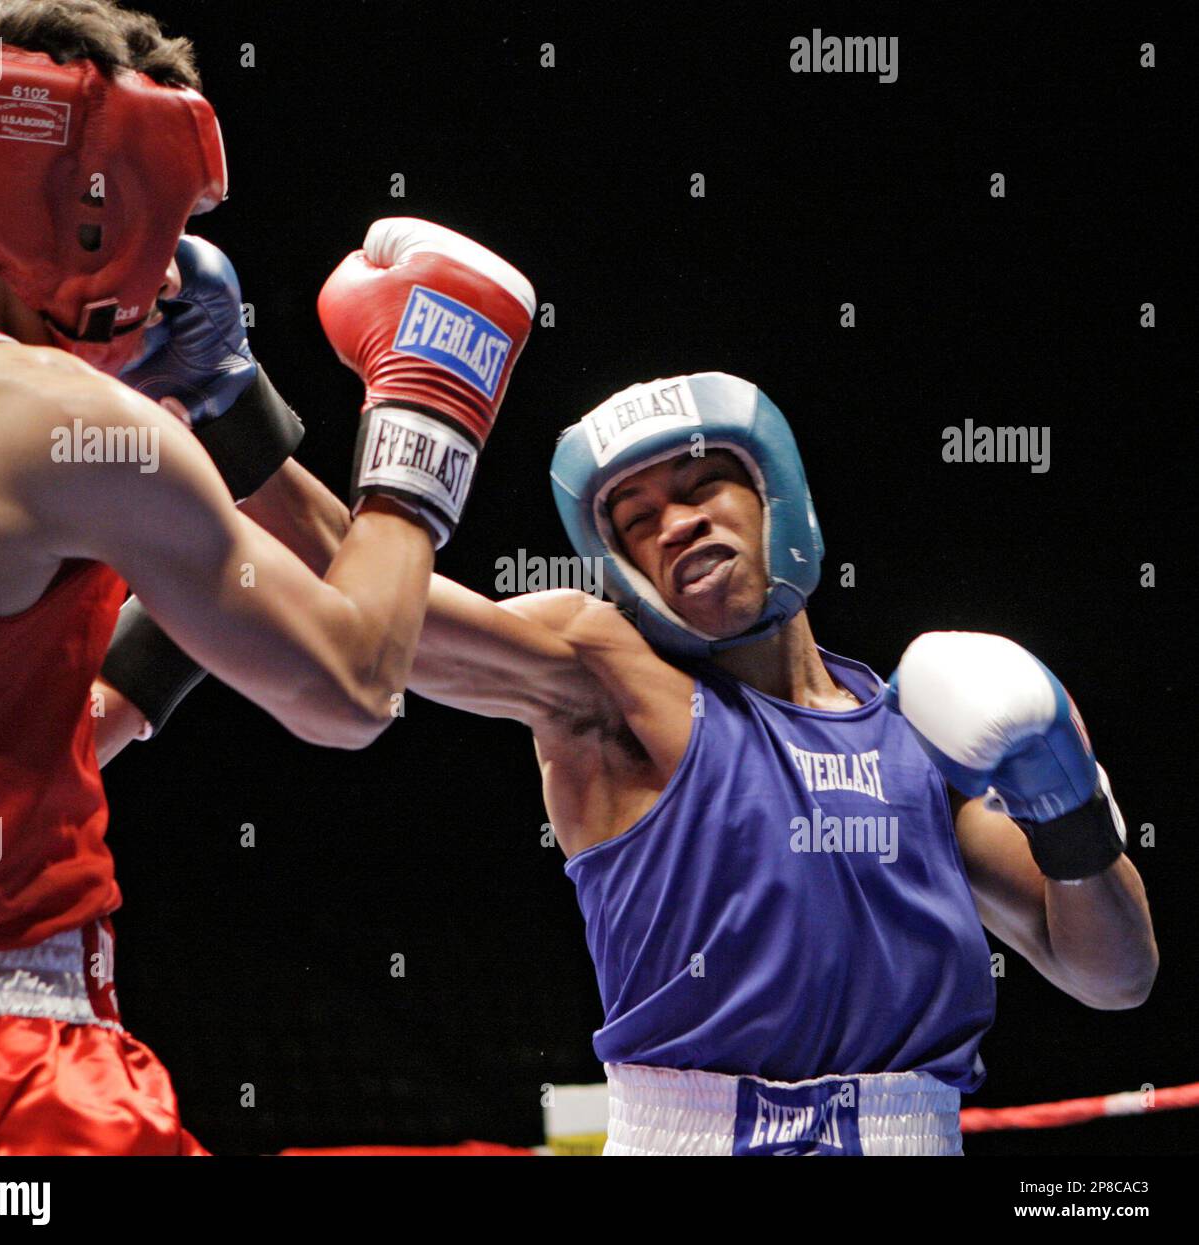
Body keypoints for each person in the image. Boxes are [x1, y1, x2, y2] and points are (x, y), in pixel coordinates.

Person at [0, 0, 533, 1155]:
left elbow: (13, 739)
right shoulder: (52, 417)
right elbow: (348, 684)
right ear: (93, 199)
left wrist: (223, 450)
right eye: (168, 209)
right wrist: (423, 411)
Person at [401, 371, 1158, 1155]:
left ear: (777, 493)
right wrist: (277, 449)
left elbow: (1117, 977)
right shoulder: (607, 684)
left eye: (703, 485)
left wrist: (1065, 806)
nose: (678, 525)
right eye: (638, 520)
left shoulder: (919, 733)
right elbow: (382, 627)